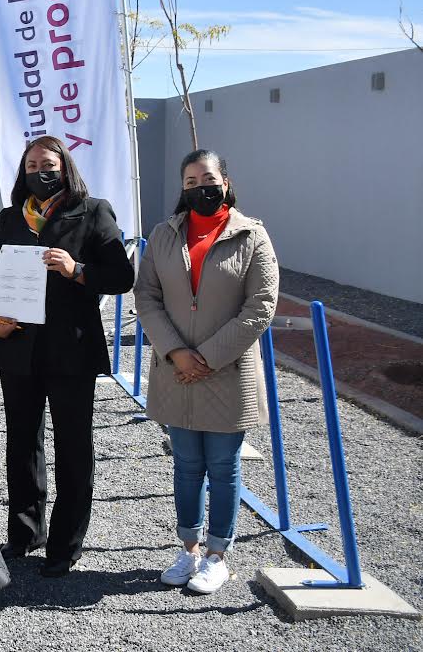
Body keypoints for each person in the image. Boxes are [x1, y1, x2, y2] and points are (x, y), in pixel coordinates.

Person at [0, 136, 135, 578]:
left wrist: (77, 270)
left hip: (71, 349)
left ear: (64, 168)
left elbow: (122, 276)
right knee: (21, 444)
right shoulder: (12, 216)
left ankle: (66, 545)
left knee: (72, 446)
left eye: (48, 164)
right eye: (31, 165)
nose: (39, 172)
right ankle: (25, 533)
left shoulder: (94, 211)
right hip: (18, 346)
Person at [136, 149, 278, 594]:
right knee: (185, 465)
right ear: (183, 188)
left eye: (209, 179)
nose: (202, 187)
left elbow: (261, 306)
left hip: (227, 371)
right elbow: (146, 296)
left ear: (225, 182)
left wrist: (207, 357)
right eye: (191, 181)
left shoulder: (252, 235)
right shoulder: (163, 234)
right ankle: (189, 549)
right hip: (176, 370)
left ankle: (218, 555)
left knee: (223, 466)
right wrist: (177, 352)